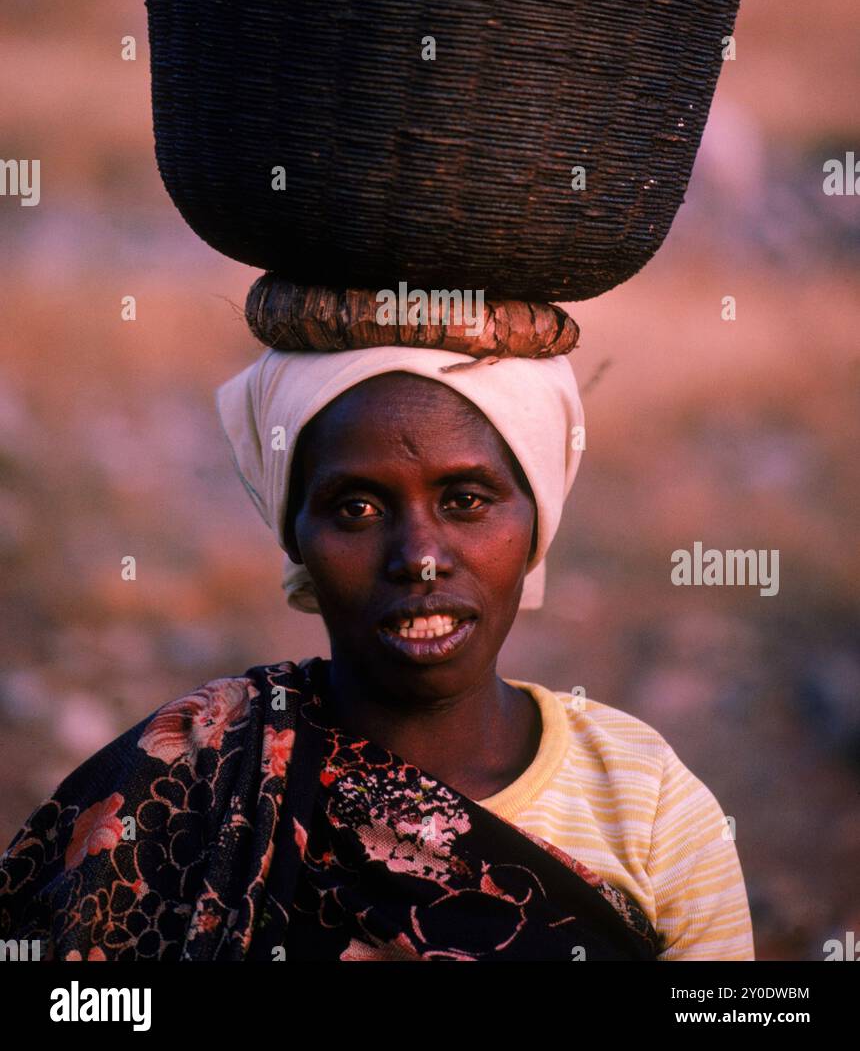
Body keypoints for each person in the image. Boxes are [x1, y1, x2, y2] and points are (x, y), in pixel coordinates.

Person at [0, 346, 753, 960]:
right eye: (356, 508)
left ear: (537, 526)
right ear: (296, 535)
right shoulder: (198, 768)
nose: (420, 558)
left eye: (466, 500)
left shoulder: (644, 800)